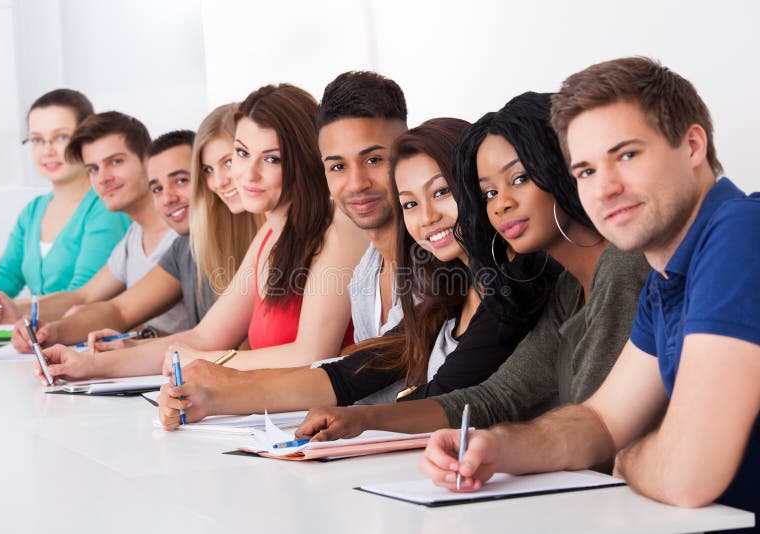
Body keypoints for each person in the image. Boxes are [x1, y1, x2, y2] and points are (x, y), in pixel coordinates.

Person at [420, 58, 759, 522]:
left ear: (693, 145)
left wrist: (629, 458)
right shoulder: (668, 279)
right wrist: (497, 446)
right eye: (585, 172)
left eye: (627, 155)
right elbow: (602, 421)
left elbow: (687, 476)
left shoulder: (740, 233)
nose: (605, 188)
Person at [155, 117, 559, 429]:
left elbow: (441, 399)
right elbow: (353, 374)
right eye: (410, 204)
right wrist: (212, 397)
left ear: (473, 187)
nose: (428, 217)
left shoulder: (516, 284)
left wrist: (359, 422)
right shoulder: (446, 291)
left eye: (441, 192)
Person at [295, 92, 650, 446]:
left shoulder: (620, 265)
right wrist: (363, 419)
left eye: (520, 179)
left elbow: (603, 428)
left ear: (563, 168)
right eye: (489, 193)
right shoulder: (569, 289)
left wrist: (504, 451)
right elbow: (497, 395)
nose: (501, 204)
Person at [32, 83, 368, 380]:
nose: (245, 174)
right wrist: (89, 365)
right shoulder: (269, 236)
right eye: (241, 153)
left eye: (271, 159)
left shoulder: (338, 226)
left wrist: (205, 362)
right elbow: (203, 337)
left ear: (305, 159)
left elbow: (311, 356)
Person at [11, 114, 262, 351]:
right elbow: (118, 309)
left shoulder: (259, 238)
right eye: (93, 169)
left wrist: (142, 342)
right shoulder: (178, 244)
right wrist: (53, 332)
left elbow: (219, 345)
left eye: (182, 180)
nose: (219, 181)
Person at [0, 112, 186, 349]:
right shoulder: (134, 235)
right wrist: (17, 312)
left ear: (148, 162)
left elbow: (120, 312)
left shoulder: (181, 233)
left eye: (115, 162)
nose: (103, 178)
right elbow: (84, 296)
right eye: (93, 169)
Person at [0, 89, 129, 318]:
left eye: (61, 137)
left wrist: (7, 310)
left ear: (85, 139)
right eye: (37, 140)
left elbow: (82, 295)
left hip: (84, 341)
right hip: (39, 337)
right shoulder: (33, 211)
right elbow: (2, 281)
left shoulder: (106, 208)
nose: (47, 150)